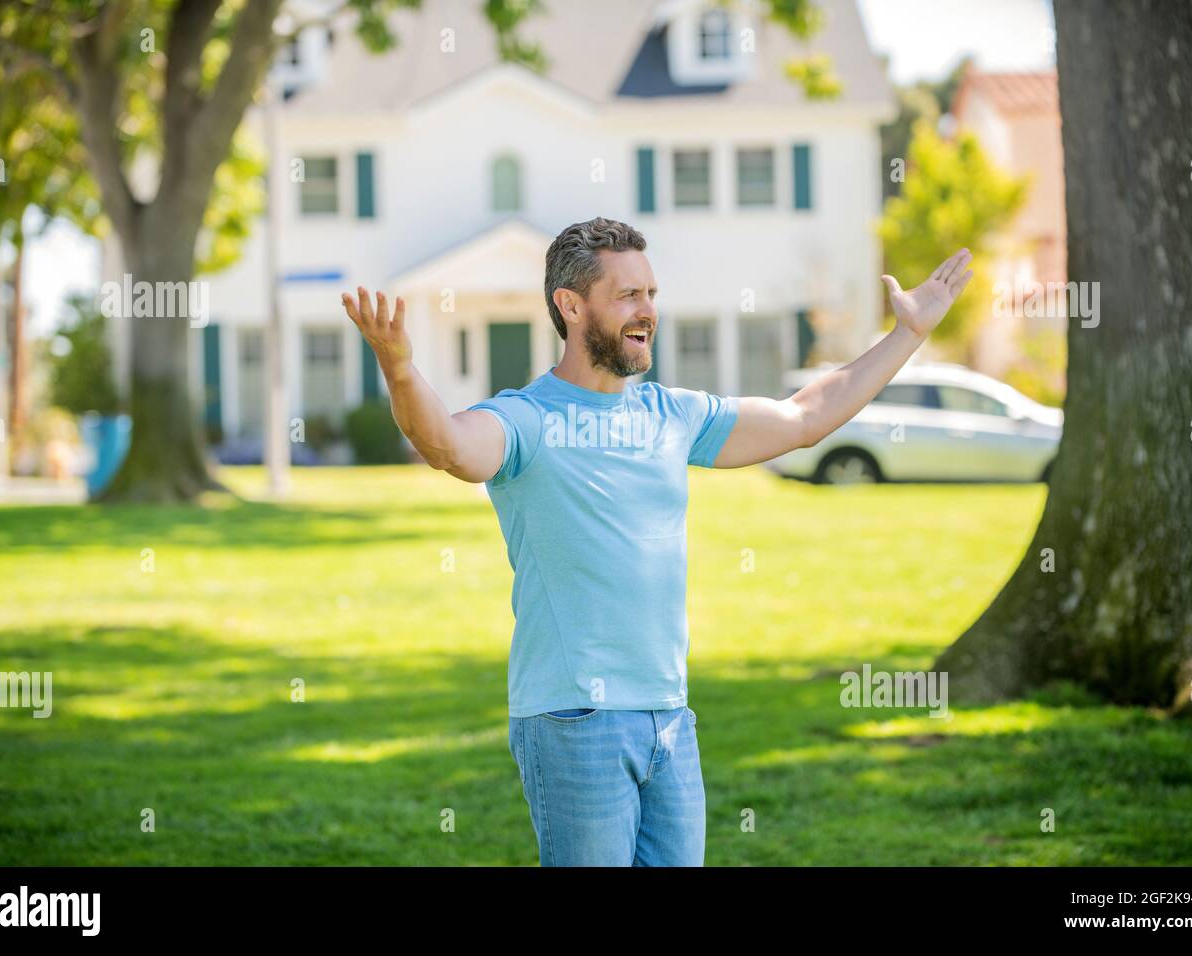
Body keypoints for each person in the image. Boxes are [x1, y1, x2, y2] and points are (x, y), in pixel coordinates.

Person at [341, 216, 973, 866]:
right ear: (570, 304)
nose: (648, 312)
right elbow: (447, 444)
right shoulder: (525, 419)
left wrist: (906, 335)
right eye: (629, 296)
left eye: (652, 295)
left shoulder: (671, 416)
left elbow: (804, 418)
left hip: (670, 718)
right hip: (574, 718)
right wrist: (401, 370)